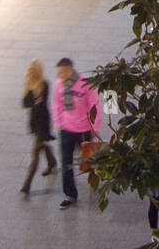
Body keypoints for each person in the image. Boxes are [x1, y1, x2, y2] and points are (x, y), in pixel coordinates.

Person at [52, 58, 101, 208]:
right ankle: (70, 194)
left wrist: (94, 127)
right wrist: (59, 123)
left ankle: (94, 182)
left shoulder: (85, 83)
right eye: (58, 73)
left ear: (70, 70)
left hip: (84, 130)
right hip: (66, 130)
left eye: (62, 72)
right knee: (66, 162)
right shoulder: (58, 85)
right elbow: (56, 105)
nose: (60, 75)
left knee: (89, 161)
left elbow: (94, 105)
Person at [20, 61, 57, 194]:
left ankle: (27, 185)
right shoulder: (28, 84)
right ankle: (52, 161)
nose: (31, 74)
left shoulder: (44, 84)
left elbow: (41, 104)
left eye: (34, 72)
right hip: (34, 122)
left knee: (35, 154)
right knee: (42, 146)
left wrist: (34, 100)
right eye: (30, 72)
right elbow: (25, 103)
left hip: (43, 122)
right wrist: (34, 100)